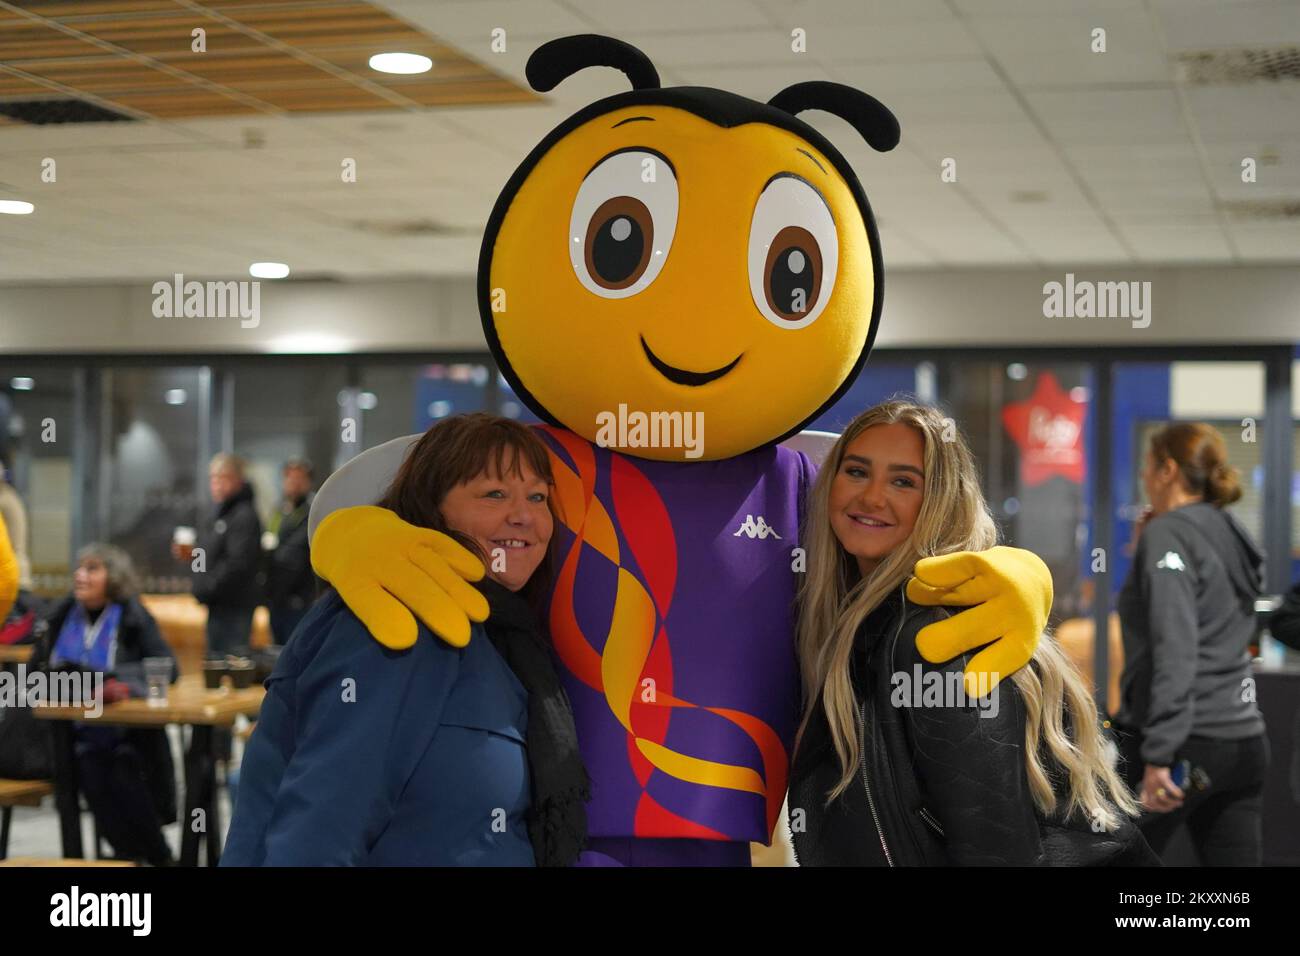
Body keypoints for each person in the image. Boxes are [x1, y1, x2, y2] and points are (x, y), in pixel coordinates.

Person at [789, 401, 1154, 865]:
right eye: (857, 471)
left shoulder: (940, 633)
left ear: (941, 498)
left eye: (904, 481)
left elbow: (994, 847)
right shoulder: (864, 620)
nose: (872, 497)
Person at [222, 414, 589, 866]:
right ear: (431, 508)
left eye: (537, 496)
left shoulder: (504, 637)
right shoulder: (402, 619)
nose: (524, 515)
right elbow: (322, 826)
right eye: (494, 494)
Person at [1115, 422, 1269, 865]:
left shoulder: (1171, 533)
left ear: (1166, 469)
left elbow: (1175, 646)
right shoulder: (1226, 528)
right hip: (1244, 741)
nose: (1143, 476)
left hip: (1184, 741)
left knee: (1112, 858)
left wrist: (1160, 754)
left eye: (1148, 466)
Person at [37, 544, 178, 866]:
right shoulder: (60, 616)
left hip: (127, 733)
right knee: (90, 763)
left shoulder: (131, 615)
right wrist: (85, 687)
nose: (80, 575)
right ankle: (139, 857)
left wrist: (120, 682)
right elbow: (34, 676)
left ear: (113, 578)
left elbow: (167, 667)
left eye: (92, 568)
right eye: (79, 568)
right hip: (67, 735)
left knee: (122, 765)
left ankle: (155, 856)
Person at [176, 453, 262, 656]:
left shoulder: (244, 515)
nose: (217, 484)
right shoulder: (218, 513)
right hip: (216, 605)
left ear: (239, 480)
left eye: (223, 478)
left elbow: (238, 563)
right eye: (213, 478)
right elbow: (207, 554)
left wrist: (208, 587)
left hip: (234, 607)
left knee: (232, 664)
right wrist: (193, 556)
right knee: (214, 665)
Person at [263, 457, 317, 644]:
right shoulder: (280, 509)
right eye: (289, 478)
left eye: (299, 479)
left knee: (297, 650)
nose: (293, 483)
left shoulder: (313, 511)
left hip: (300, 599)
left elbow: (295, 552)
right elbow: (268, 539)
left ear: (308, 482)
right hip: (276, 598)